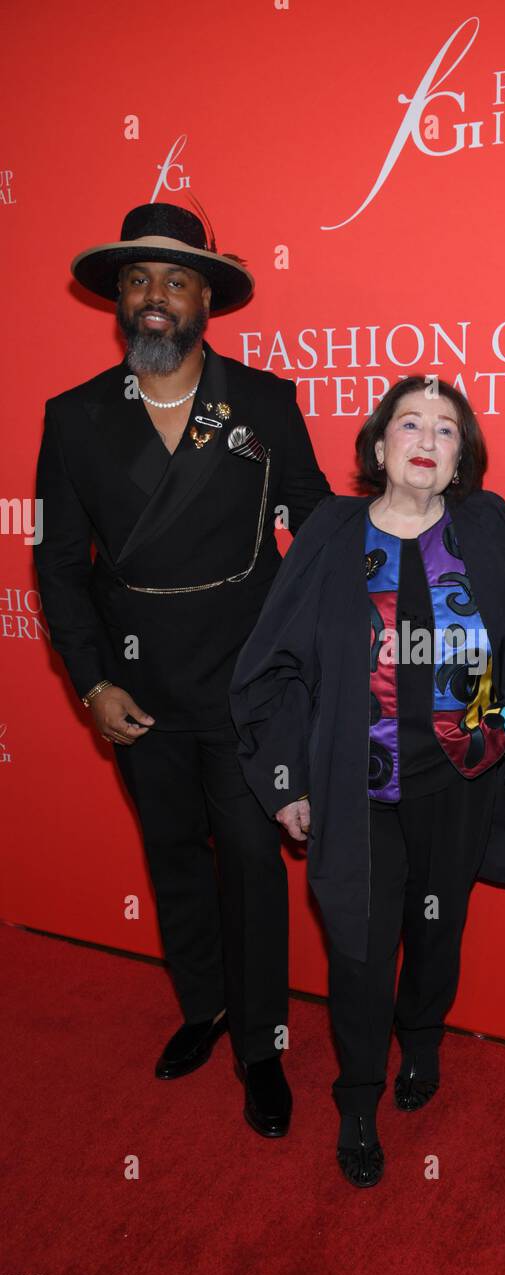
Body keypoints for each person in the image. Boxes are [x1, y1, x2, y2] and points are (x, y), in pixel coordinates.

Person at [34, 202, 332, 1138]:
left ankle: (261, 1042)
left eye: (174, 280)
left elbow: (315, 522)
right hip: (137, 686)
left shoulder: (263, 402)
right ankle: (204, 1006)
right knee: (172, 854)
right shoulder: (75, 417)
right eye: (138, 280)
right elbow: (58, 565)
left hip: (244, 680)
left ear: (206, 299)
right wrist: (93, 683)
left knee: (250, 858)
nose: (154, 296)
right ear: (119, 300)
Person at [230, 376, 505, 1186]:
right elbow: (274, 666)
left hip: (458, 783)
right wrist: (287, 781)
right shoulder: (333, 535)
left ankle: (424, 1043)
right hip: (355, 788)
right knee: (361, 953)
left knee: (438, 931)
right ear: (378, 446)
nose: (427, 441)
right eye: (410, 424)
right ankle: (359, 1100)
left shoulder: (488, 528)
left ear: (461, 457)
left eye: (446, 430)